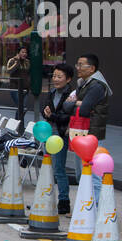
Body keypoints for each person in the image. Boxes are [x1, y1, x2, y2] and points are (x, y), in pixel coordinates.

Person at [60, 52, 111, 205]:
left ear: (92, 68)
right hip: (80, 132)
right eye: (77, 64)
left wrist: (75, 103)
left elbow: (83, 109)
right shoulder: (83, 83)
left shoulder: (96, 85)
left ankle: (94, 207)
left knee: (93, 173)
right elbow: (65, 105)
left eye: (81, 65)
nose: (78, 68)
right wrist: (77, 103)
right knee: (80, 172)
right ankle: (86, 206)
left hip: (92, 134)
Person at [41, 63, 77, 214]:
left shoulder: (71, 95)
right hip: (48, 134)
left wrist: (52, 115)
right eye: (54, 76)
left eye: (59, 76)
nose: (55, 79)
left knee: (58, 169)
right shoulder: (52, 92)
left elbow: (67, 117)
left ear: (68, 79)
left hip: (60, 136)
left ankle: (64, 202)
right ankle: (45, 198)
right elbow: (47, 111)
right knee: (48, 167)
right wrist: (46, 113)